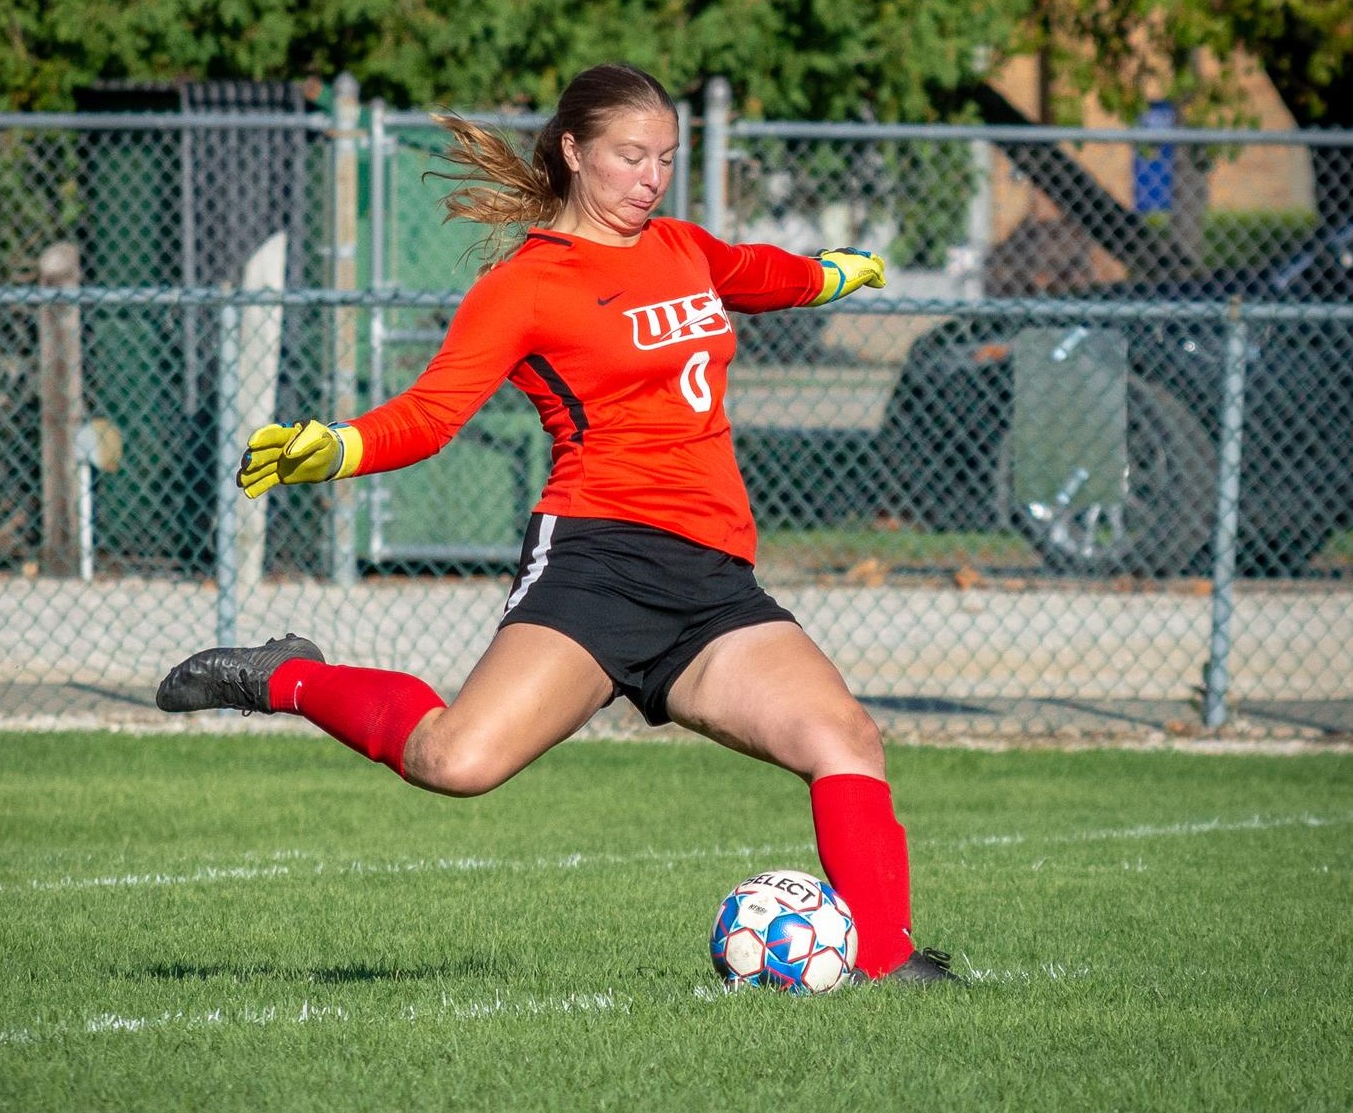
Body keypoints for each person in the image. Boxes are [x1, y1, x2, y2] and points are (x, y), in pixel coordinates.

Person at [157, 62, 963, 986]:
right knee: (455, 760)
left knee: (847, 739)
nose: (650, 177)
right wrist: (340, 446)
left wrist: (826, 276)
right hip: (599, 562)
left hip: (711, 583)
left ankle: (892, 964)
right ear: (575, 152)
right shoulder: (527, 286)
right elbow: (431, 413)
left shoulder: (681, 247)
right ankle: (287, 675)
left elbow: (751, 274)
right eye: (630, 156)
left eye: (665, 157)